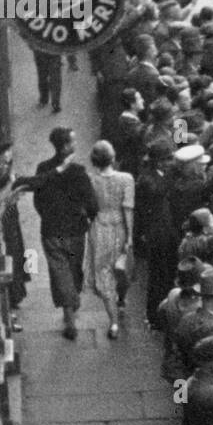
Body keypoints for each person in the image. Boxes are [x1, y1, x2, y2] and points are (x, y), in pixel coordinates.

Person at [22, 126, 99, 339]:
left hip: (51, 230)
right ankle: (71, 309)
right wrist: (88, 216)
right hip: (75, 231)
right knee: (74, 269)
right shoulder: (78, 172)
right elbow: (92, 202)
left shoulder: (42, 168)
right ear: (65, 146)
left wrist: (47, 215)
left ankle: (68, 309)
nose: (75, 144)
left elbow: (38, 200)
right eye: (72, 142)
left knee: (59, 272)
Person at [86, 140, 135, 339]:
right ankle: (121, 298)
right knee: (121, 267)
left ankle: (113, 322)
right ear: (113, 158)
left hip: (98, 227)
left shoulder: (89, 179)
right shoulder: (126, 178)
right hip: (119, 226)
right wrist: (130, 234)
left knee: (103, 272)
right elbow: (128, 208)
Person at [0, 141, 30, 333]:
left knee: (15, 255)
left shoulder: (4, 174)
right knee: (9, 256)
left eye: (8, 161)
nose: (5, 166)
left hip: (10, 218)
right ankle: (10, 305)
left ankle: (14, 298)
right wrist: (11, 187)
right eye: (3, 161)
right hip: (3, 221)